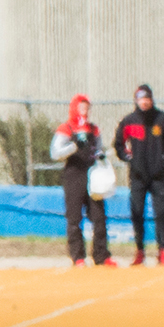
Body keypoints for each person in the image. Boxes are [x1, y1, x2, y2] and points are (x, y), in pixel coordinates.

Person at [114, 84, 164, 266]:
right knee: (137, 212)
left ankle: (161, 251)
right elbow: (118, 144)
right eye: (141, 99)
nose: (144, 102)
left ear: (151, 99)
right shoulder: (129, 120)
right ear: (136, 100)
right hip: (138, 176)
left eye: (147, 99)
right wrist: (128, 158)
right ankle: (140, 251)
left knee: (161, 212)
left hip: (157, 176)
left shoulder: (163, 119)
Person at [51, 94, 115, 267]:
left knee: (99, 216)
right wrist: (73, 147)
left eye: (87, 106)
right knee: (74, 217)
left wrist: (101, 156)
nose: (85, 110)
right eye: (81, 106)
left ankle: (101, 255)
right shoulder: (66, 128)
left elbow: (99, 148)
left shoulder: (94, 129)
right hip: (73, 175)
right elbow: (55, 153)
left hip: (92, 175)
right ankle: (78, 257)